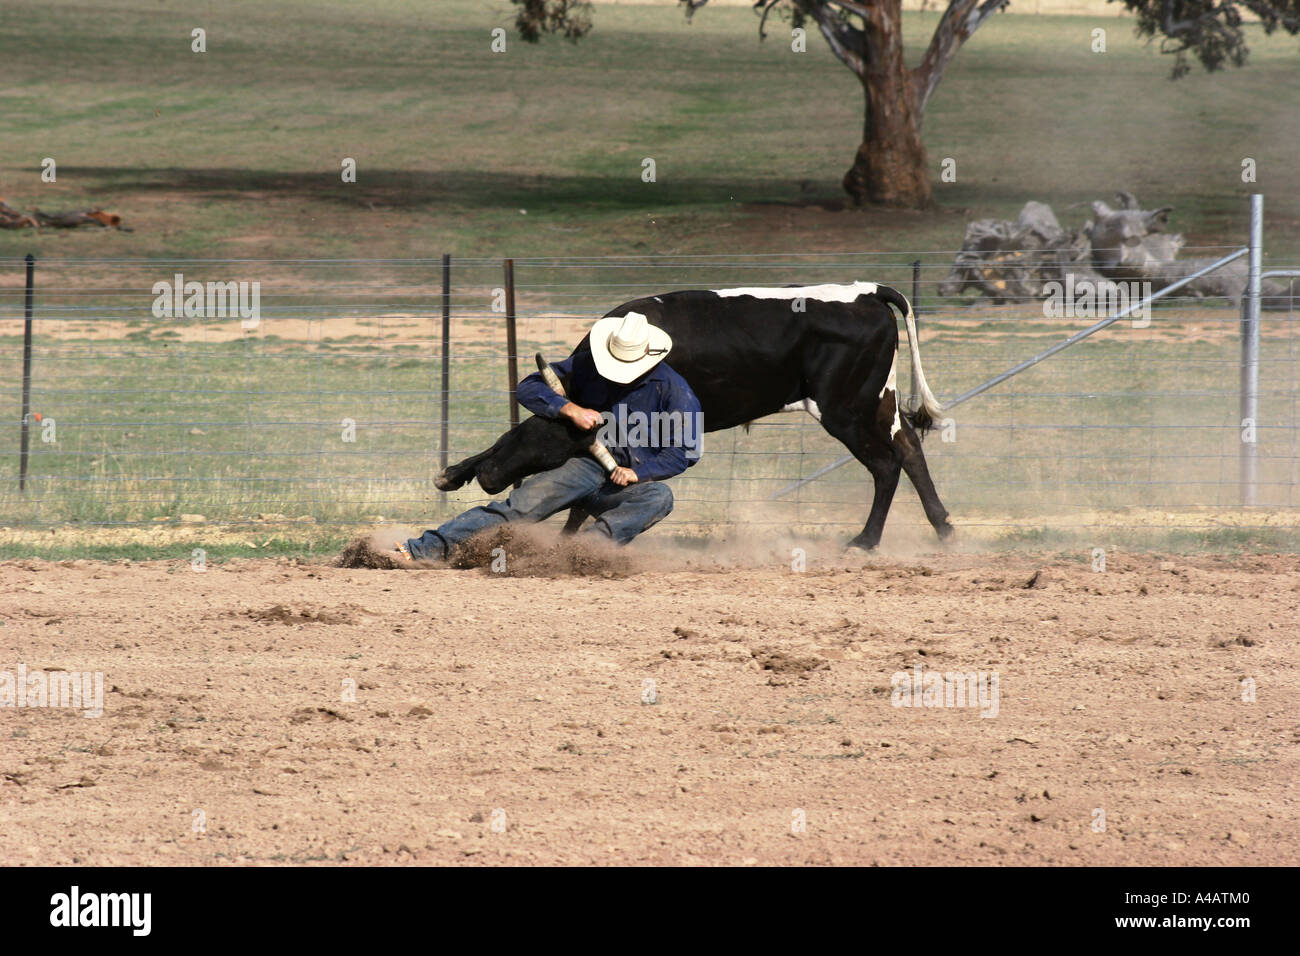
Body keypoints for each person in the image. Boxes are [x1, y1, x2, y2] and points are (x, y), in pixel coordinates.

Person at [398, 311, 702, 562]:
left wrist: (638, 472)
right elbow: (529, 386)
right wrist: (568, 409)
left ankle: (578, 556)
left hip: (624, 485)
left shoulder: (676, 392)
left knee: (660, 497)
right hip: (581, 464)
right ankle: (422, 550)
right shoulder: (589, 364)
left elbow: (685, 452)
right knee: (516, 509)